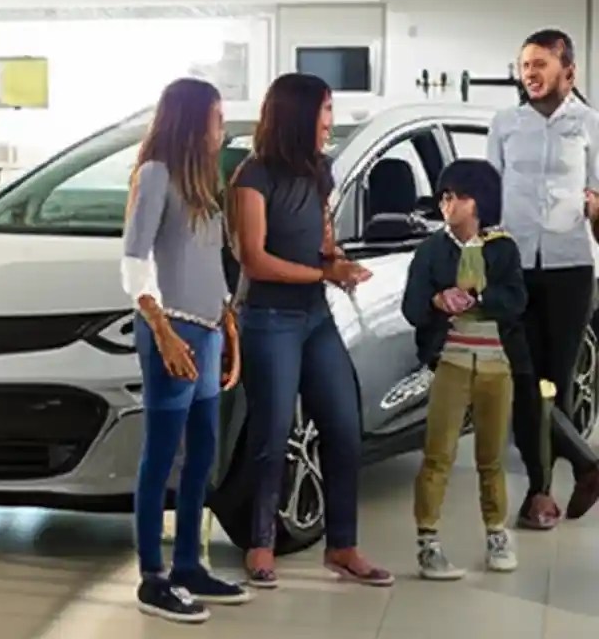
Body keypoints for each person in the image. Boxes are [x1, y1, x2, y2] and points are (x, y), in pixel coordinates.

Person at [230, 72, 392, 589]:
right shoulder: (251, 177)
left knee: (344, 428)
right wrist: (327, 273)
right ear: (299, 114)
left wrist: (338, 261)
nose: (331, 121)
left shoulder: (320, 170)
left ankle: (342, 546)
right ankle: (261, 545)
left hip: (315, 317)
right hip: (269, 321)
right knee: (271, 433)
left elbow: (322, 236)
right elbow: (254, 260)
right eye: (325, 110)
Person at [123, 77, 250, 624]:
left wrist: (227, 320)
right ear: (193, 120)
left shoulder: (204, 184)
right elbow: (134, 262)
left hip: (208, 329)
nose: (222, 130)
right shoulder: (155, 175)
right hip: (171, 333)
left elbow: (205, 259)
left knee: (202, 455)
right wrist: (163, 331)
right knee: (162, 458)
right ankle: (153, 576)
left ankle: (188, 565)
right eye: (218, 119)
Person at [486, 28, 599, 529]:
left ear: (568, 72)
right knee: (524, 379)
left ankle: (540, 495)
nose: (528, 73)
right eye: (523, 65)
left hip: (571, 267)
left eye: (539, 65)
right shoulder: (505, 125)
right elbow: (488, 196)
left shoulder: (591, 126)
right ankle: (582, 467)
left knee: (556, 380)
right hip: (514, 270)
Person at [402, 160, 527, 579]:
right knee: (438, 453)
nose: (447, 204)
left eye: (457, 196)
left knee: (491, 457)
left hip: (497, 365)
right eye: (443, 196)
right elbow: (411, 307)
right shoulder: (431, 250)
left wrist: (478, 298)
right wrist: (437, 302)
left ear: (479, 203)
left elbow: (516, 301)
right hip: (452, 361)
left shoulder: (503, 247)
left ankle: (496, 532)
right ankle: (428, 542)